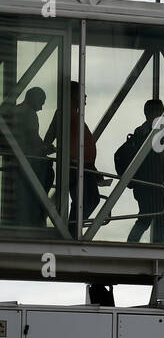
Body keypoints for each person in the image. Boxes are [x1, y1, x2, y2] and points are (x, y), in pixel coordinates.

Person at [46, 82, 99, 234]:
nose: (85, 96)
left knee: (88, 199)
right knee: (86, 200)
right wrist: (48, 147)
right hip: (76, 165)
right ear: (74, 95)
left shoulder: (73, 113)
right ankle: (72, 230)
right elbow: (51, 134)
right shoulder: (65, 112)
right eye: (82, 93)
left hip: (83, 165)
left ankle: (73, 229)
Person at [0, 88, 55, 231]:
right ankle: (37, 217)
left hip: (13, 161)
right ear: (34, 98)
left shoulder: (16, 110)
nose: (42, 108)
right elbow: (33, 138)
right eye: (41, 102)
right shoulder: (29, 113)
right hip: (27, 161)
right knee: (47, 176)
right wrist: (46, 148)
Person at [121, 99, 164, 244]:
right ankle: (158, 248)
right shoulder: (157, 132)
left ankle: (131, 243)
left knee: (145, 217)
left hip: (142, 184)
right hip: (157, 183)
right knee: (162, 218)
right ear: (152, 113)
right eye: (160, 111)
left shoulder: (139, 131)